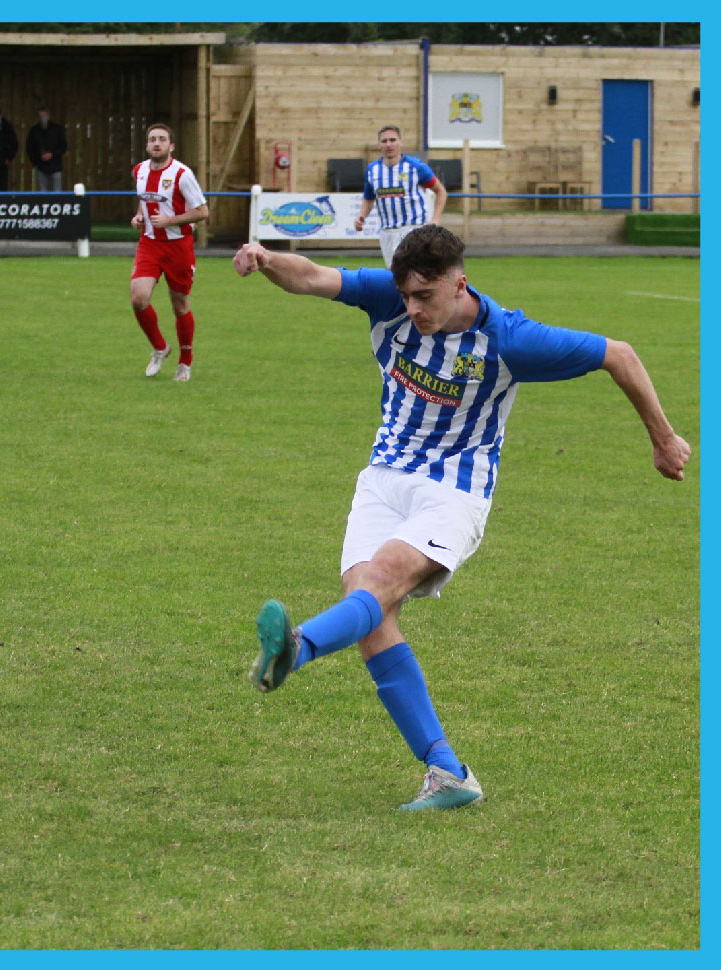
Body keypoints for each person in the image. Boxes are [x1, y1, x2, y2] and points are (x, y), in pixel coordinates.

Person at [232, 224, 690, 811]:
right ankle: (448, 773)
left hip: (454, 489)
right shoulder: (391, 297)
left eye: (425, 296)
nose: (413, 309)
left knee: (379, 582)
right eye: (406, 296)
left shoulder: (510, 340)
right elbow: (314, 277)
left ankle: (298, 648)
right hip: (382, 479)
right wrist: (266, 258)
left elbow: (618, 354)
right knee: (369, 614)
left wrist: (663, 438)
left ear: (459, 284)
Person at [130, 123, 209, 382]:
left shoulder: (182, 174)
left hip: (178, 247)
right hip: (149, 244)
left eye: (162, 139)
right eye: (152, 139)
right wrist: (139, 217)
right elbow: (144, 201)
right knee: (138, 298)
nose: (157, 143)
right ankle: (160, 348)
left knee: (180, 305)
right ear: (146, 145)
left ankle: (185, 361)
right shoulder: (139, 170)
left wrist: (170, 221)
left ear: (171, 146)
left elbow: (202, 212)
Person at [354, 125, 447, 268]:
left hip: (414, 229)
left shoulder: (416, 167)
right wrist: (362, 216)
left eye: (392, 140)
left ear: (400, 142)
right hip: (387, 232)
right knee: (396, 275)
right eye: (384, 141)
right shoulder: (372, 170)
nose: (388, 144)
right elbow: (369, 198)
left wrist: (435, 219)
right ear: (379, 144)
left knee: (416, 272)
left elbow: (440, 191)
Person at [25, 107, 68, 191]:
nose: (42, 118)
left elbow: (63, 146)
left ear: (48, 116)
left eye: (44, 116)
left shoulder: (57, 129)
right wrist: (35, 162)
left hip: (55, 166)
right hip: (40, 166)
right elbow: (29, 148)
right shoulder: (34, 131)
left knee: (57, 192)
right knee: (42, 192)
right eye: (40, 116)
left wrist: (52, 154)